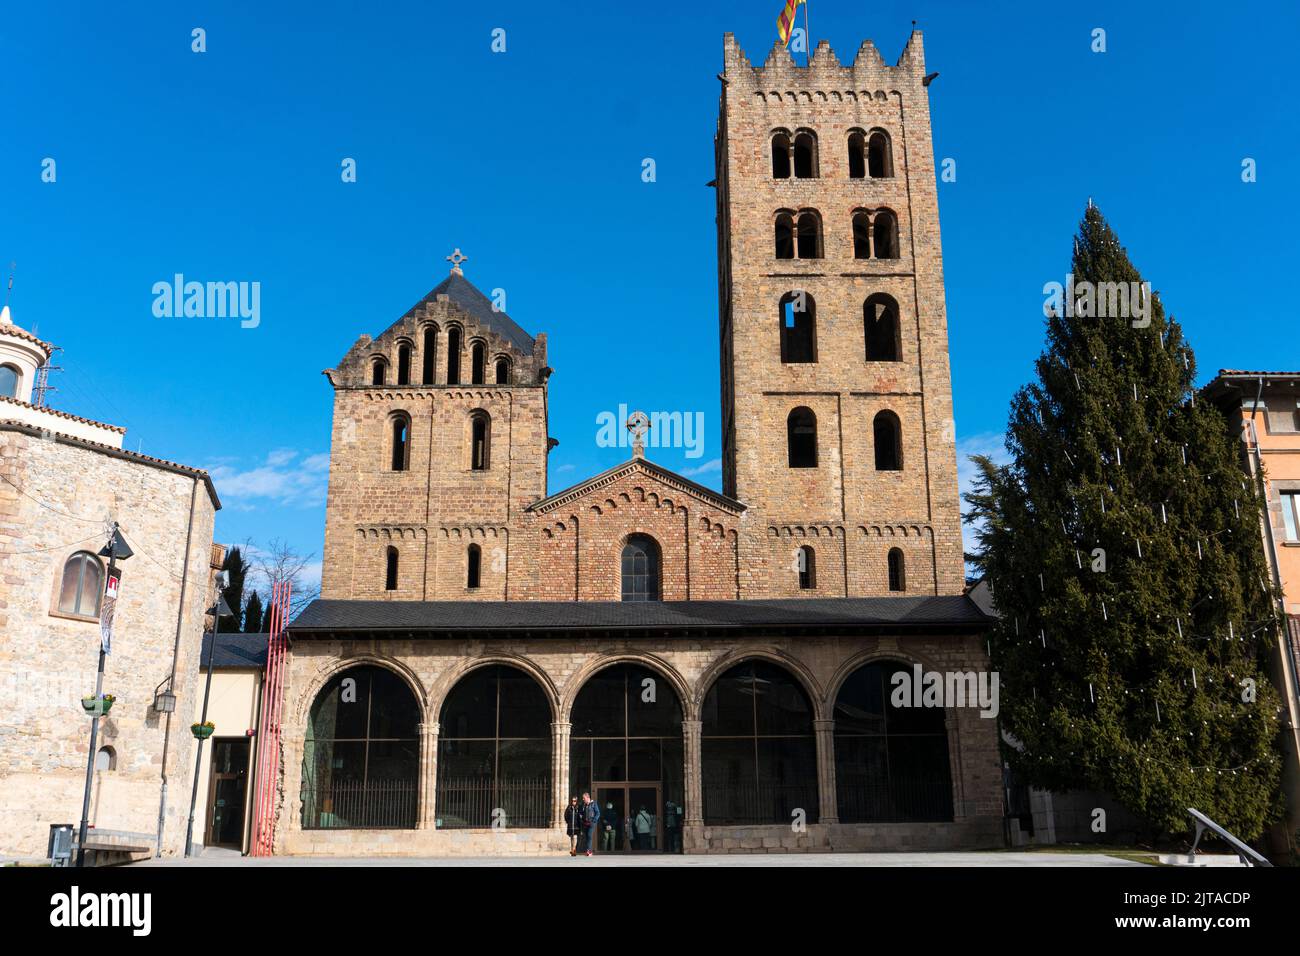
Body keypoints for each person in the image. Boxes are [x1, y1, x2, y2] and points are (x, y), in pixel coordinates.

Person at [581, 792, 601, 857]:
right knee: (587, 837)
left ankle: (589, 851)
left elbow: (598, 813)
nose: (583, 799)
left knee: (589, 836)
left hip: (591, 824)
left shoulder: (593, 804)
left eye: (584, 798)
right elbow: (582, 813)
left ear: (588, 798)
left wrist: (594, 821)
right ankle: (589, 850)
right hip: (585, 824)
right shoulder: (584, 805)